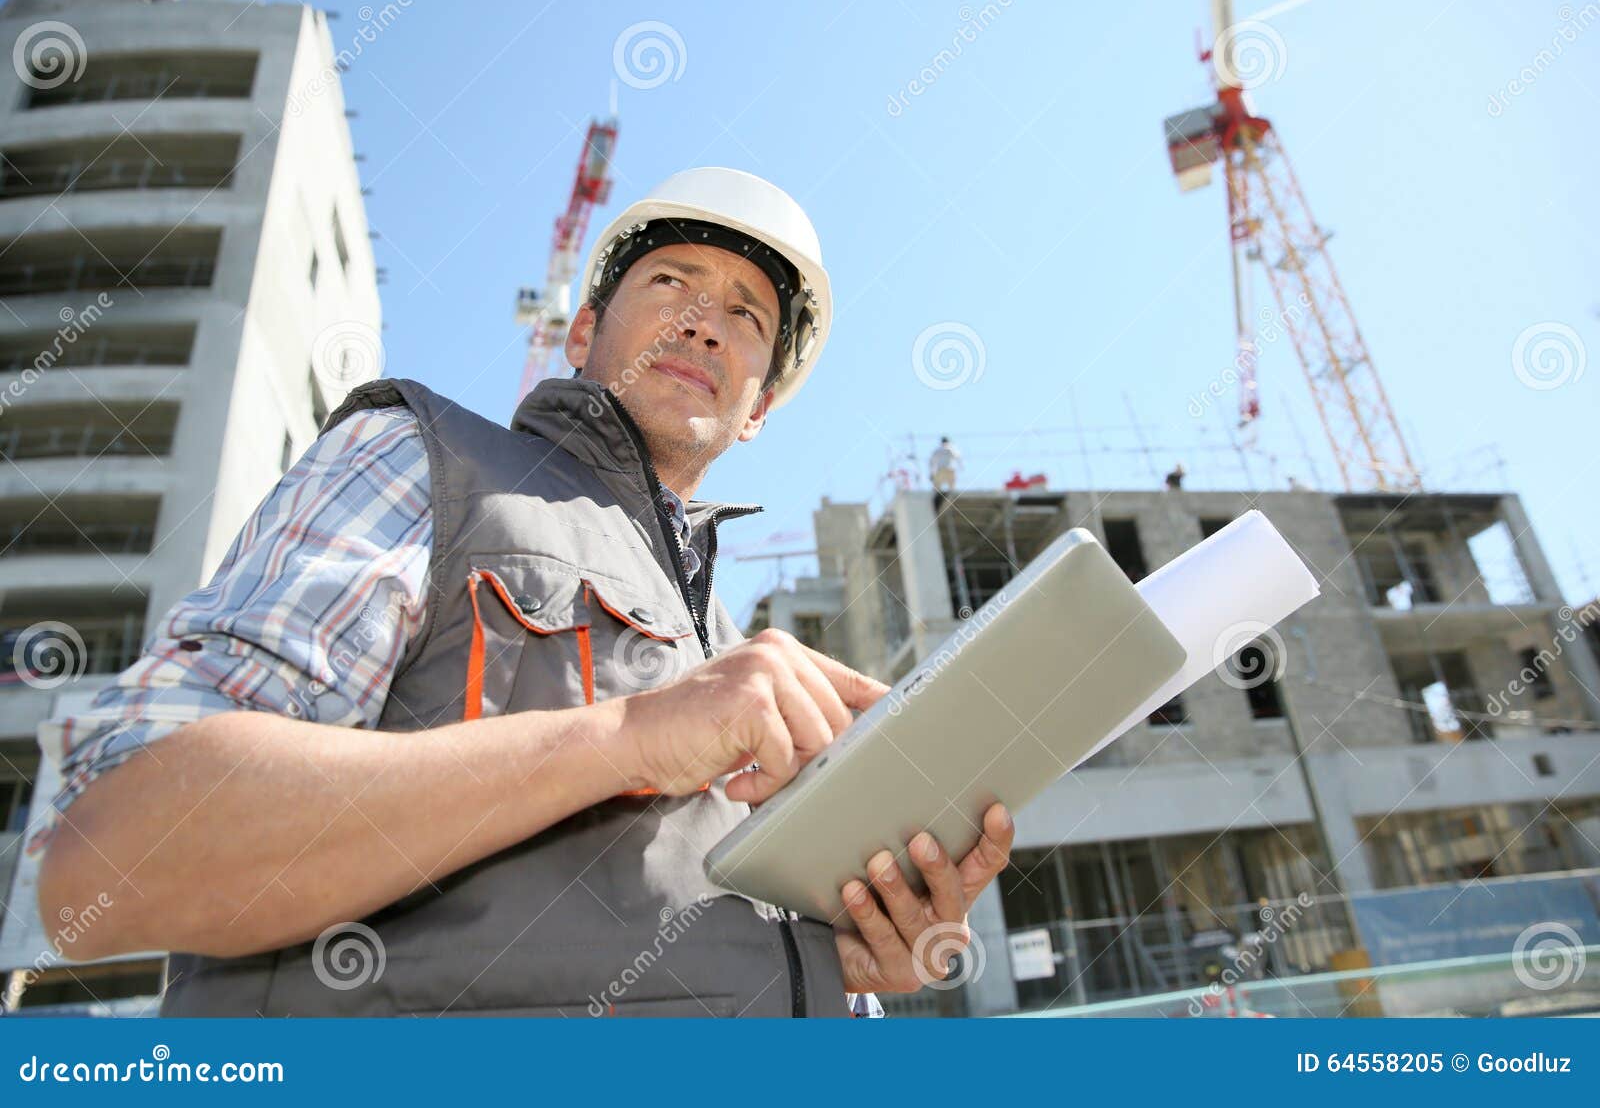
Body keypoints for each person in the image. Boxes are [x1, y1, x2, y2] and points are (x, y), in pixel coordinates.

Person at [31, 167, 1013, 1018]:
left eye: (747, 314)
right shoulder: (423, 460)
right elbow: (114, 851)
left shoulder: (731, 650)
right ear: (583, 327)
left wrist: (845, 957)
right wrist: (626, 736)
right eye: (672, 280)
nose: (704, 320)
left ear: (756, 408)